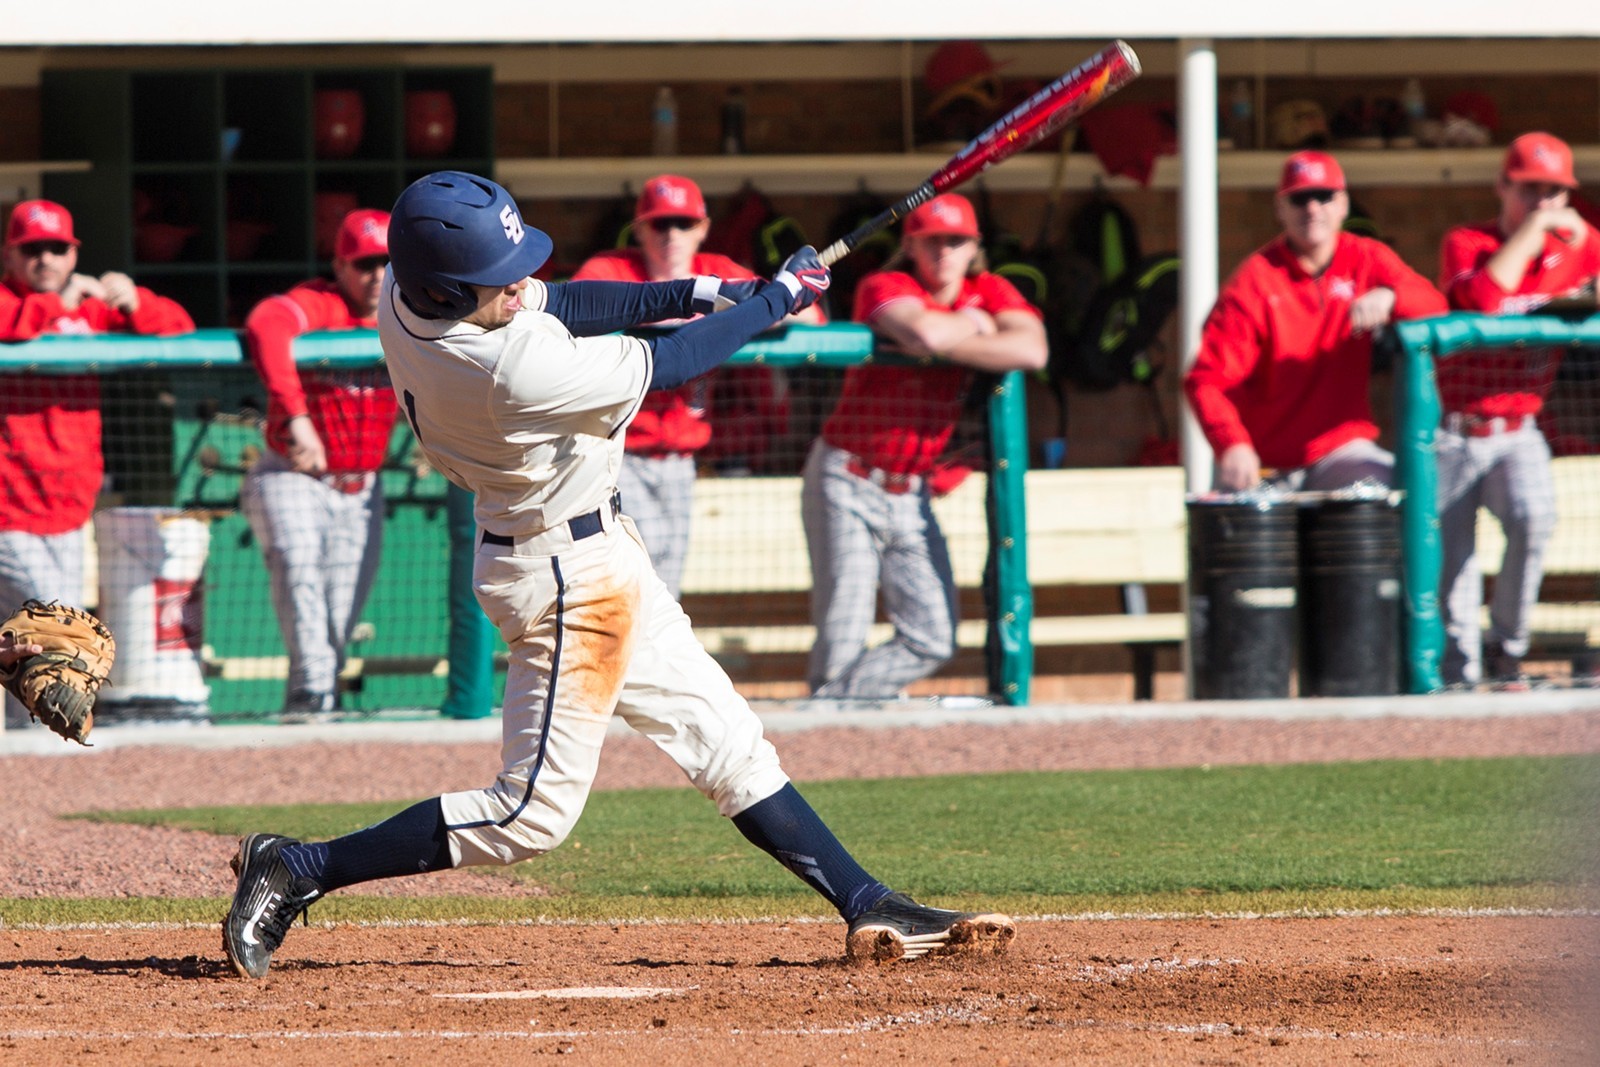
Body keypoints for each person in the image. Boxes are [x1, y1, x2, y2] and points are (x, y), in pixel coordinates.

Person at [219, 171, 1015, 979]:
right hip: (564, 578)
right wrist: (770, 304)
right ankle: (298, 866)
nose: (518, 283)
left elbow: (559, 299)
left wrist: (712, 289)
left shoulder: (408, 294)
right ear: (453, 288)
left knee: (728, 743)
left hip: (595, 547)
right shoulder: (509, 371)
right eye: (498, 277)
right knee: (530, 817)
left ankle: (864, 898)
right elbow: (671, 362)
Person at [801, 193, 1047, 699]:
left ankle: (828, 711)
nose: (944, 251)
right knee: (843, 634)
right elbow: (924, 333)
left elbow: (1032, 348)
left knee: (933, 635)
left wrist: (960, 332)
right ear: (910, 243)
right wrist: (981, 327)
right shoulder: (886, 283)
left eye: (955, 240)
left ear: (974, 245)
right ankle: (832, 734)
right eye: (933, 240)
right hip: (848, 477)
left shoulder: (991, 287)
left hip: (912, 493)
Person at [572, 174, 820, 597]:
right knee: (634, 586)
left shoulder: (719, 271)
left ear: (703, 228)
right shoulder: (610, 269)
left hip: (682, 460)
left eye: (683, 223)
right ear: (640, 231)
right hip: (616, 456)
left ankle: (646, 664)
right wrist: (696, 317)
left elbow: (808, 317)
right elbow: (569, 316)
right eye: (660, 223)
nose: (671, 234)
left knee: (666, 591)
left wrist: (775, 298)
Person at [0, 198, 194, 728]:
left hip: (68, 508)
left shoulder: (88, 308)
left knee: (30, 647)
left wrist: (134, 302)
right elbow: (13, 327)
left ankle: (27, 753)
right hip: (8, 508)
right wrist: (61, 300)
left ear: (72, 253)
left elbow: (178, 328)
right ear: (9, 255)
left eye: (56, 248)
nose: (45, 259)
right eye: (32, 249)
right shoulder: (9, 300)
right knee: (54, 630)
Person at [1434, 132, 1600, 686]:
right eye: (1530, 190)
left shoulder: (1579, 245)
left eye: (1554, 192)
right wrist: (1531, 233)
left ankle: (1507, 649)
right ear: (1503, 186)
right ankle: (1460, 669)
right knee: (1453, 559)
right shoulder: (1465, 241)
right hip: (1458, 428)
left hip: (1521, 424)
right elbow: (1482, 300)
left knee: (1534, 520)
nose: (1542, 202)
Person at [1184, 151, 1447, 493]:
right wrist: (1231, 444)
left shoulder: (1365, 256)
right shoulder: (1255, 280)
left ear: (1343, 205)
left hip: (1341, 451)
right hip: (1263, 463)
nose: (1312, 209)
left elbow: (1436, 306)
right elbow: (1207, 379)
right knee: (1240, 539)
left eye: (1323, 197)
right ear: (1280, 208)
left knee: (1388, 493)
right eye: (1299, 199)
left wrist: (1393, 298)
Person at [239, 209, 399, 722]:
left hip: (362, 485)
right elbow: (267, 323)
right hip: (293, 474)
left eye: (386, 262)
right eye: (364, 263)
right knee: (297, 564)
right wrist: (299, 416)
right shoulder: (321, 301)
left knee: (337, 619)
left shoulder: (411, 309)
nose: (377, 275)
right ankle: (312, 695)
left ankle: (308, 713)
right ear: (340, 266)